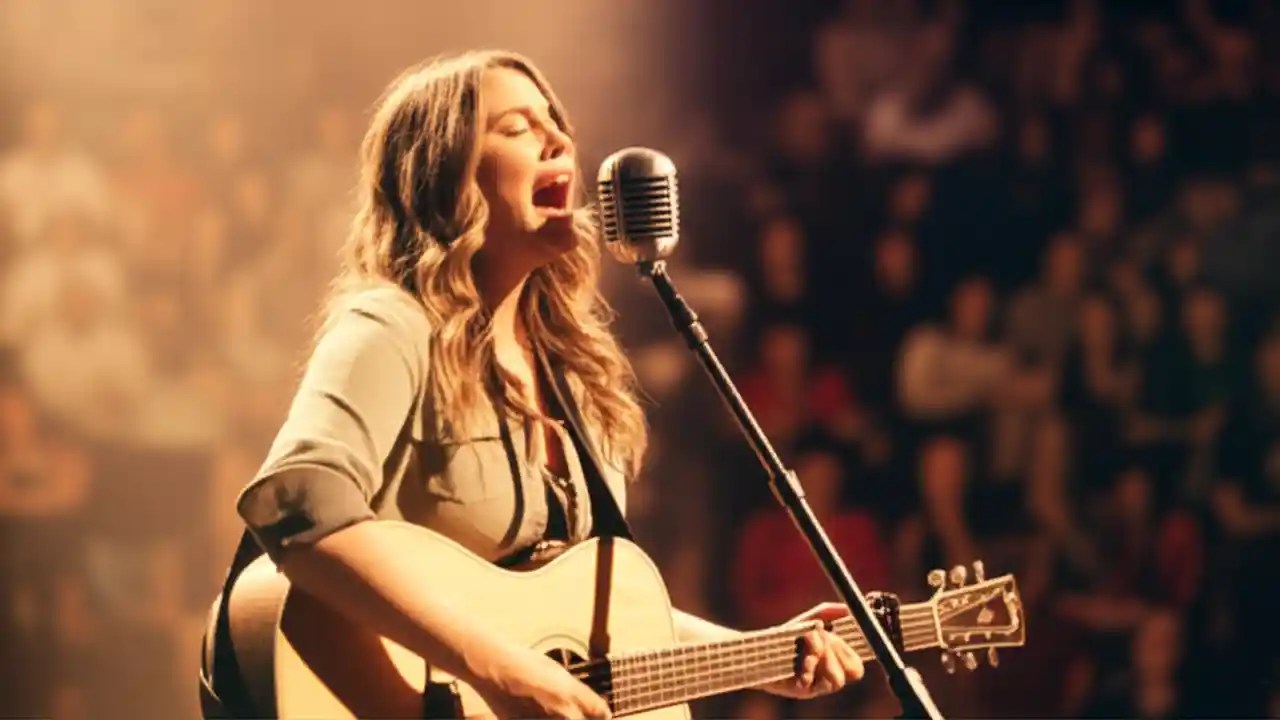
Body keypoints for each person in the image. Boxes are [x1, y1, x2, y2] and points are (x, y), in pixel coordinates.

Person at [200, 50, 863, 719]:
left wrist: (759, 655)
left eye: (555, 122)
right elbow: (300, 503)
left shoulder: (578, 378)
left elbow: (586, 627)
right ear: (444, 173)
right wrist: (496, 669)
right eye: (516, 128)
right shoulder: (391, 326)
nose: (558, 139)